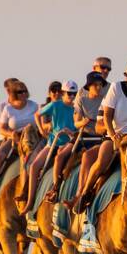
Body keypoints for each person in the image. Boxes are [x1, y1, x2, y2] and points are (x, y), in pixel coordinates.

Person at [67, 55, 127, 212]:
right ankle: (85, 194)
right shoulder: (116, 87)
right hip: (115, 134)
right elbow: (107, 116)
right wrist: (112, 135)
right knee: (102, 159)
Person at [47, 72, 108, 203]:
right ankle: (55, 188)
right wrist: (84, 122)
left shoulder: (106, 100)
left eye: (100, 85)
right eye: (95, 85)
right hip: (83, 135)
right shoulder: (82, 100)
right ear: (89, 86)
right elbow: (76, 123)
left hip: (100, 137)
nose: (98, 88)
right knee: (60, 157)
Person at [0, 80, 38, 216]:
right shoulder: (7, 109)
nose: (24, 94)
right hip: (14, 137)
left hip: (32, 136)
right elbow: (2, 128)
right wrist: (11, 134)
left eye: (25, 91)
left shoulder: (33, 106)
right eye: (20, 92)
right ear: (14, 94)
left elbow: (40, 120)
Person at [21, 80, 77, 213]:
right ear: (63, 93)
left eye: (74, 94)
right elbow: (37, 114)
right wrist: (41, 130)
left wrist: (73, 132)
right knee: (34, 166)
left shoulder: (77, 107)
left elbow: (79, 124)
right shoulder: (55, 105)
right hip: (53, 142)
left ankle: (56, 190)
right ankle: (30, 201)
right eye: (69, 94)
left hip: (69, 143)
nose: (72, 97)